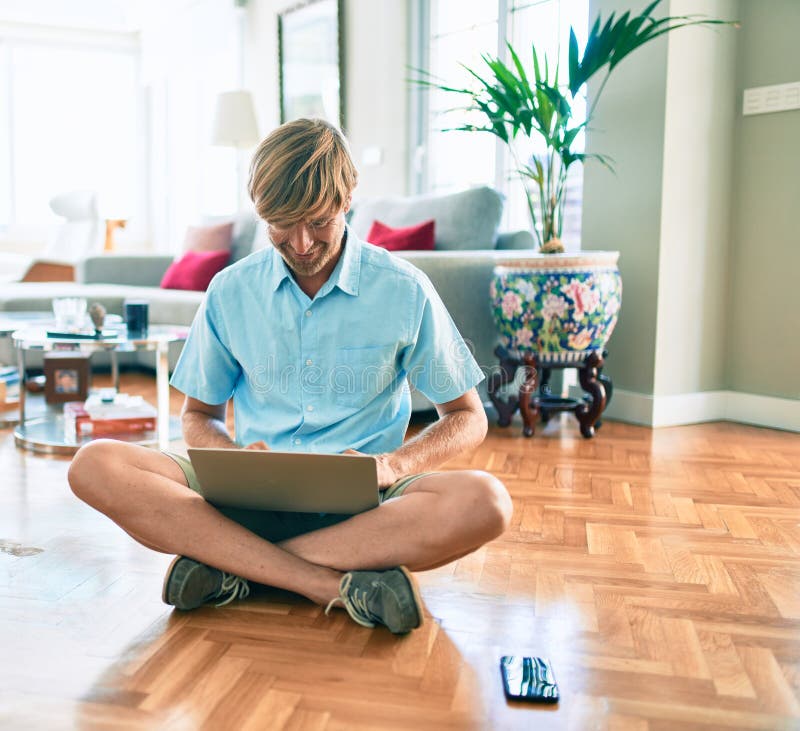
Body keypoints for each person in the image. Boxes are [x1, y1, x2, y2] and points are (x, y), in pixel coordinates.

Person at [68, 118, 512, 635]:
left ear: (348, 199)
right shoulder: (230, 291)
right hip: (245, 500)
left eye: (319, 222)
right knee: (94, 464)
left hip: (366, 510)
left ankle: (235, 567)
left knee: (487, 503)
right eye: (280, 224)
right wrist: (231, 459)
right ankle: (326, 582)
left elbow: (467, 416)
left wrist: (394, 464)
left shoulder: (403, 289)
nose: (300, 243)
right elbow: (198, 416)